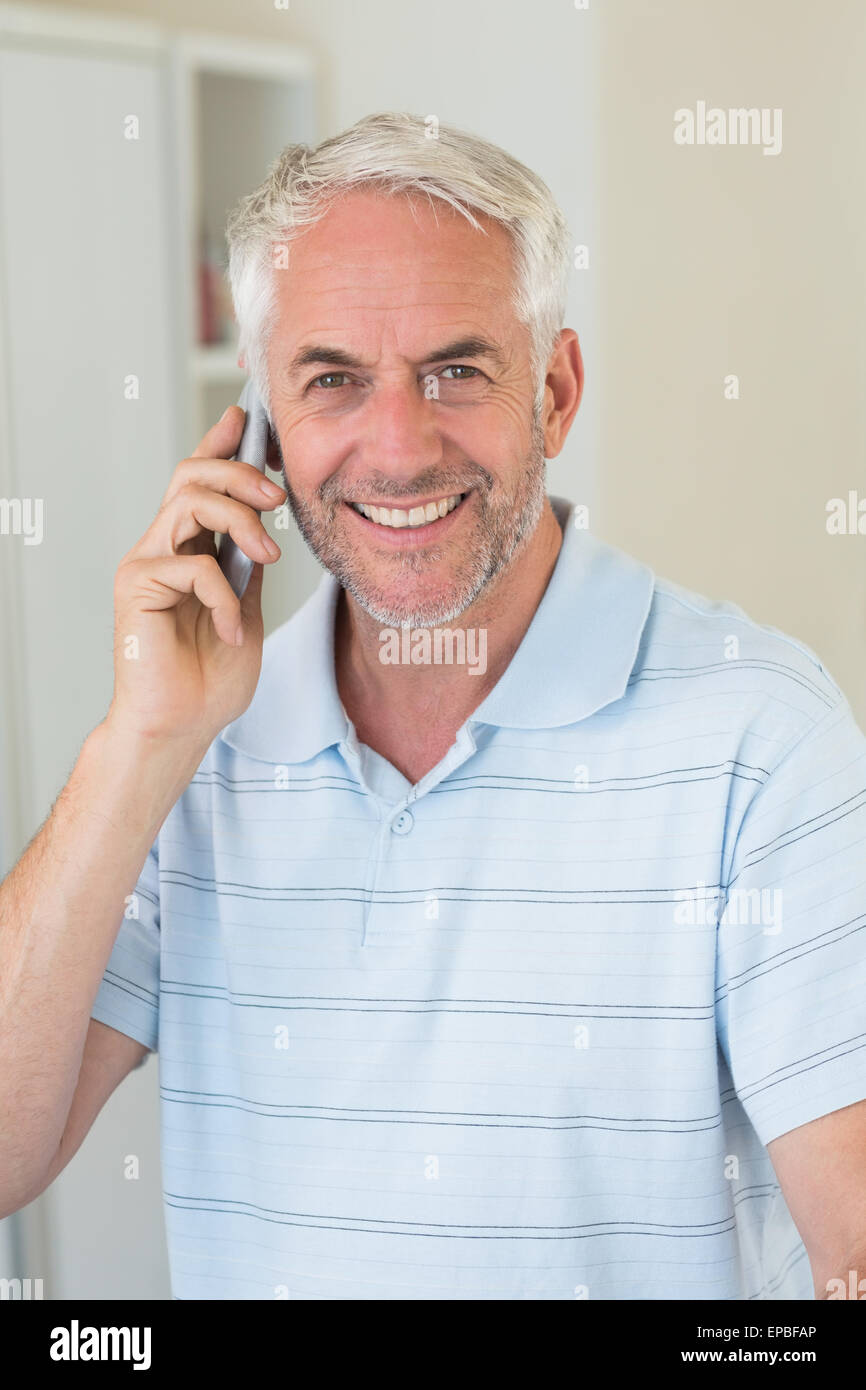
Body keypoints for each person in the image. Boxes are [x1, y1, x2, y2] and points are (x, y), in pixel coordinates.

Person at [2, 112, 865, 1301]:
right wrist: (139, 740)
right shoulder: (188, 754)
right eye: (332, 381)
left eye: (455, 371)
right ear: (262, 427)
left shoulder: (764, 742)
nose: (396, 449)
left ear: (554, 394)